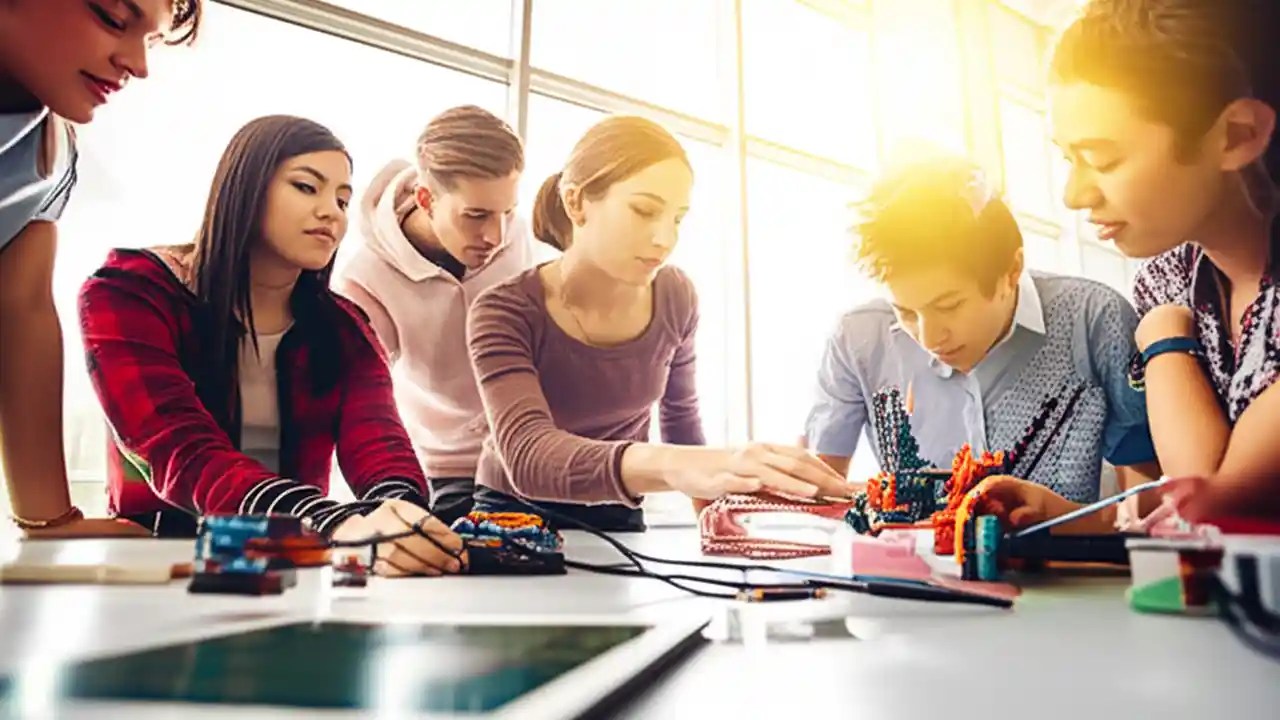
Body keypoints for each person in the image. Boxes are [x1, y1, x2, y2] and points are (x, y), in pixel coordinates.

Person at [78, 115, 464, 576]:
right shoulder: (130, 293)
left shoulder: (345, 327)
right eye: (306, 187)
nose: (332, 212)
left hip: (290, 567)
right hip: (159, 562)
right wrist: (330, 519)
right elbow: (181, 449)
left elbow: (380, 443)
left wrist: (400, 517)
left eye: (343, 199)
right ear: (245, 186)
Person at [466, 115, 851, 531]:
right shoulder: (502, 312)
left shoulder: (675, 295)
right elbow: (528, 455)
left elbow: (682, 423)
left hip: (619, 510)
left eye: (677, 218)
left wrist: (718, 520)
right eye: (644, 210)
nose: (665, 238)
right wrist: (679, 464)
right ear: (576, 203)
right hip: (511, 518)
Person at [989, 0, 1280, 529]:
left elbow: (1214, 497)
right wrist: (1071, 519)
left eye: (1103, 160)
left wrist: (1163, 335)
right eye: (1067, 159)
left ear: (1237, 135)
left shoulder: (1166, 307)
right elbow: (1198, 504)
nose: (1074, 195)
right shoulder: (1169, 281)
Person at [804, 157, 1162, 524]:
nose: (929, 338)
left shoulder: (1094, 320)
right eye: (906, 312)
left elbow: (1147, 508)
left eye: (949, 305)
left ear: (1012, 270)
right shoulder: (858, 341)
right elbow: (816, 495)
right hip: (909, 576)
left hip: (1067, 574)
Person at [0, 0, 202, 537]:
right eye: (113, 18)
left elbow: (23, 314)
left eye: (152, 41)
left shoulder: (50, 157)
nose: (138, 65)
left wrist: (49, 521)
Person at [333, 105, 532, 526]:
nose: (496, 237)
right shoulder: (366, 280)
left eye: (506, 213)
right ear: (426, 199)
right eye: (476, 216)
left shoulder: (518, 237)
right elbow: (358, 400)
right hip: (452, 474)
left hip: (535, 456)